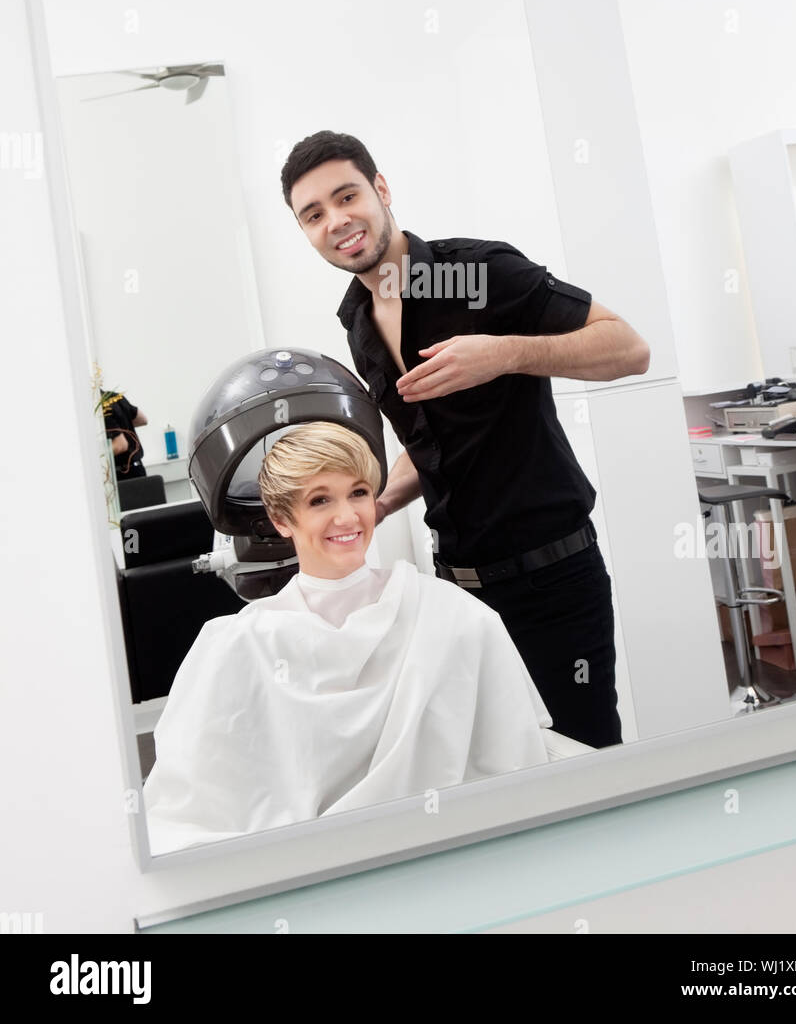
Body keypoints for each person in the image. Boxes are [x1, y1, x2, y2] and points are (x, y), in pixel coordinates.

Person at [281, 131, 651, 749]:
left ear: (381, 189)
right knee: (488, 769)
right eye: (313, 214)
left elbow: (629, 349)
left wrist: (503, 354)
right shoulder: (356, 321)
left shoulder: (477, 272)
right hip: (455, 590)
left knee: (585, 761)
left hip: (553, 581)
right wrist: (363, 506)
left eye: (347, 196)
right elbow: (432, 449)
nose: (336, 221)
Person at [143, 422, 573, 855]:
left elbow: (515, 758)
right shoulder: (239, 646)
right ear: (280, 520)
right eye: (320, 500)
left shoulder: (451, 616)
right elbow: (193, 800)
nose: (347, 516)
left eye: (359, 493)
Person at [100, 390, 147, 479]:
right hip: (138, 470)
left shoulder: (101, 407)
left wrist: (95, 456)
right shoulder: (115, 397)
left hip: (122, 475)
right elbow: (142, 420)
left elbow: (120, 445)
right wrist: (122, 426)